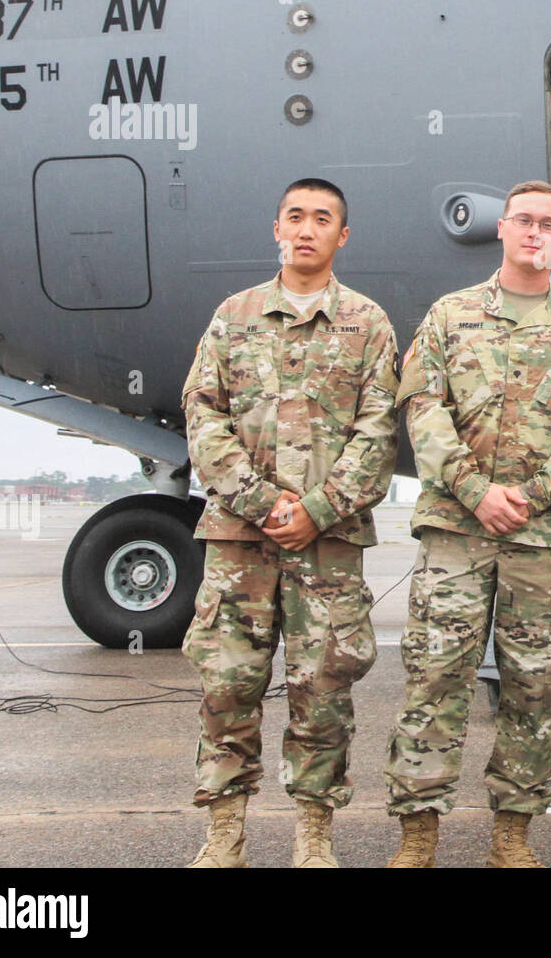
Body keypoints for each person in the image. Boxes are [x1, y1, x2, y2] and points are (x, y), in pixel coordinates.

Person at [384, 179, 551, 869]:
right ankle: (417, 835)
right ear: (502, 228)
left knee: (534, 687)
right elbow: (422, 410)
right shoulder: (451, 317)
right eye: (524, 220)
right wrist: (474, 490)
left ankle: (511, 836)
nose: (535, 232)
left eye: (550, 223)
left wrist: (536, 493)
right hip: (459, 534)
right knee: (434, 680)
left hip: (542, 544)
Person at [181, 178, 398, 868]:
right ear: (275, 227)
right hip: (240, 545)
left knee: (323, 692)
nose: (307, 229)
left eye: (322, 219)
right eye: (295, 217)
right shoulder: (233, 316)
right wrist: (260, 501)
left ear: (343, 236)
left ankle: (314, 834)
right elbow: (202, 413)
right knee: (227, 688)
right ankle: (224, 836)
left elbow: (378, 431)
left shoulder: (369, 324)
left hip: (326, 547)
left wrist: (317, 510)